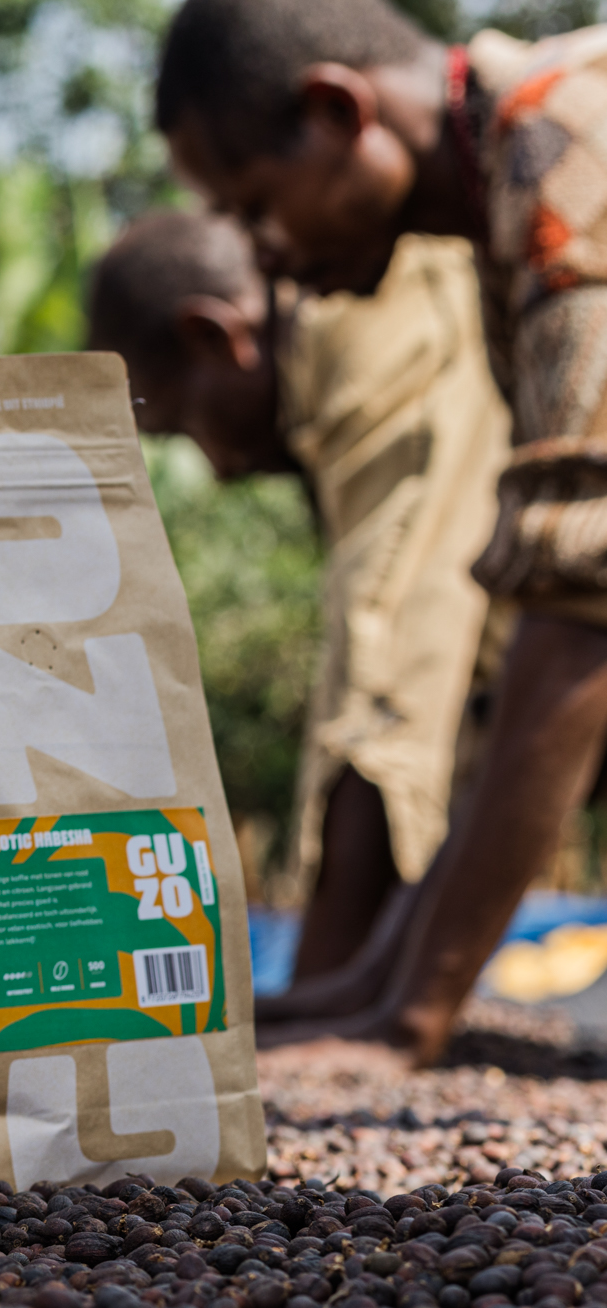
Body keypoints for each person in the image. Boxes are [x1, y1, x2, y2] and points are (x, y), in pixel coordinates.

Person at [155, 0, 607, 1061]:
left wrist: (411, 1016)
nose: (268, 259)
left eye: (257, 208)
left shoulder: (563, 148)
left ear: (331, 113)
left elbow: (583, 606)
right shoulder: (508, 194)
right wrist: (369, 981)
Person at [87, 212, 510, 991]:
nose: (213, 468)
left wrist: (325, 994)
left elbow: (385, 681)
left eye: (184, 427)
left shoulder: (370, 340)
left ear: (216, 338)